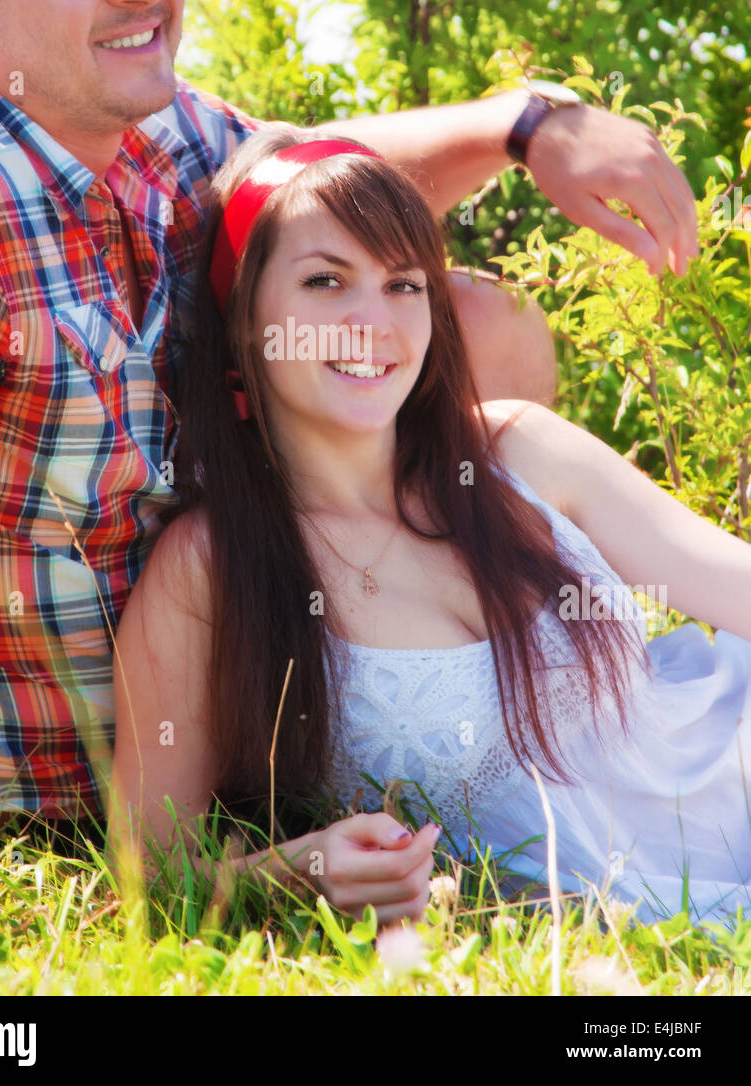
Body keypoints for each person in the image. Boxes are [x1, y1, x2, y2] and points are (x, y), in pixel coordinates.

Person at [0, 0, 698, 836]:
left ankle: (518, 713)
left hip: (244, 733)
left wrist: (526, 125)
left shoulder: (148, 130)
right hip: (58, 797)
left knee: (472, 317)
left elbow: (323, 188)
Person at [110, 127, 751, 929]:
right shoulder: (214, 565)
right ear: (245, 321)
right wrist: (293, 869)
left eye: (403, 285)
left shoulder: (516, 448)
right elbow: (147, 867)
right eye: (324, 281)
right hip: (645, 913)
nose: (372, 322)